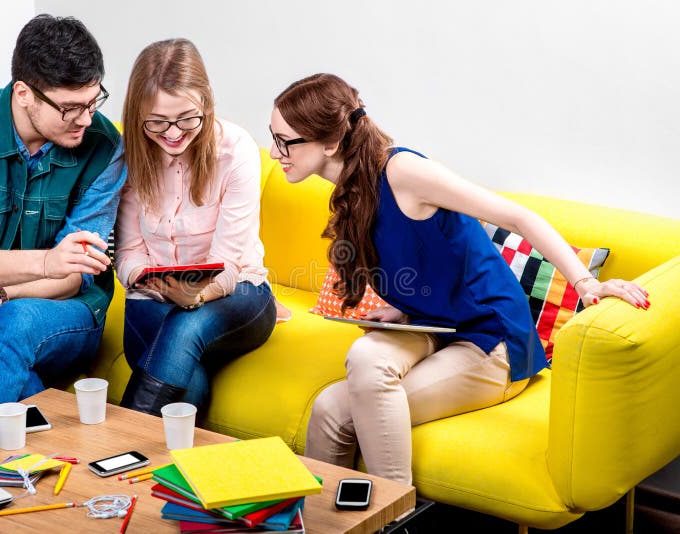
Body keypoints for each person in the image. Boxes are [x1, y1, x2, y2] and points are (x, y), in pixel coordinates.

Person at [268, 73, 649, 484]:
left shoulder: (402, 171)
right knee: (341, 389)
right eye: (273, 137)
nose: (274, 153)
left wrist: (586, 285)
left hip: (491, 341)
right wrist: (403, 306)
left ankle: (389, 514)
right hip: (433, 326)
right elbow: (425, 253)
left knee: (341, 412)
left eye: (286, 141)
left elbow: (515, 216)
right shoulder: (351, 187)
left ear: (330, 142)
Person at [0, 14, 126, 438]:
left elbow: (73, 276)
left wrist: (1, 291)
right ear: (24, 93)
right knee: (23, 397)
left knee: (14, 320)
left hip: (66, 316)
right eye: (70, 108)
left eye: (93, 101)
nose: (86, 119)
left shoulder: (106, 148)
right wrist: (48, 261)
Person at [114, 38, 276, 416]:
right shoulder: (130, 154)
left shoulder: (236, 151)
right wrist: (150, 281)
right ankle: (154, 467)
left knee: (186, 326)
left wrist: (197, 296)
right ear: (137, 113)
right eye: (156, 121)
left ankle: (114, 448)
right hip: (152, 301)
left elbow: (228, 264)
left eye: (186, 118)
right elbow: (128, 253)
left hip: (237, 296)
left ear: (206, 101)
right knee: (191, 385)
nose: (172, 133)